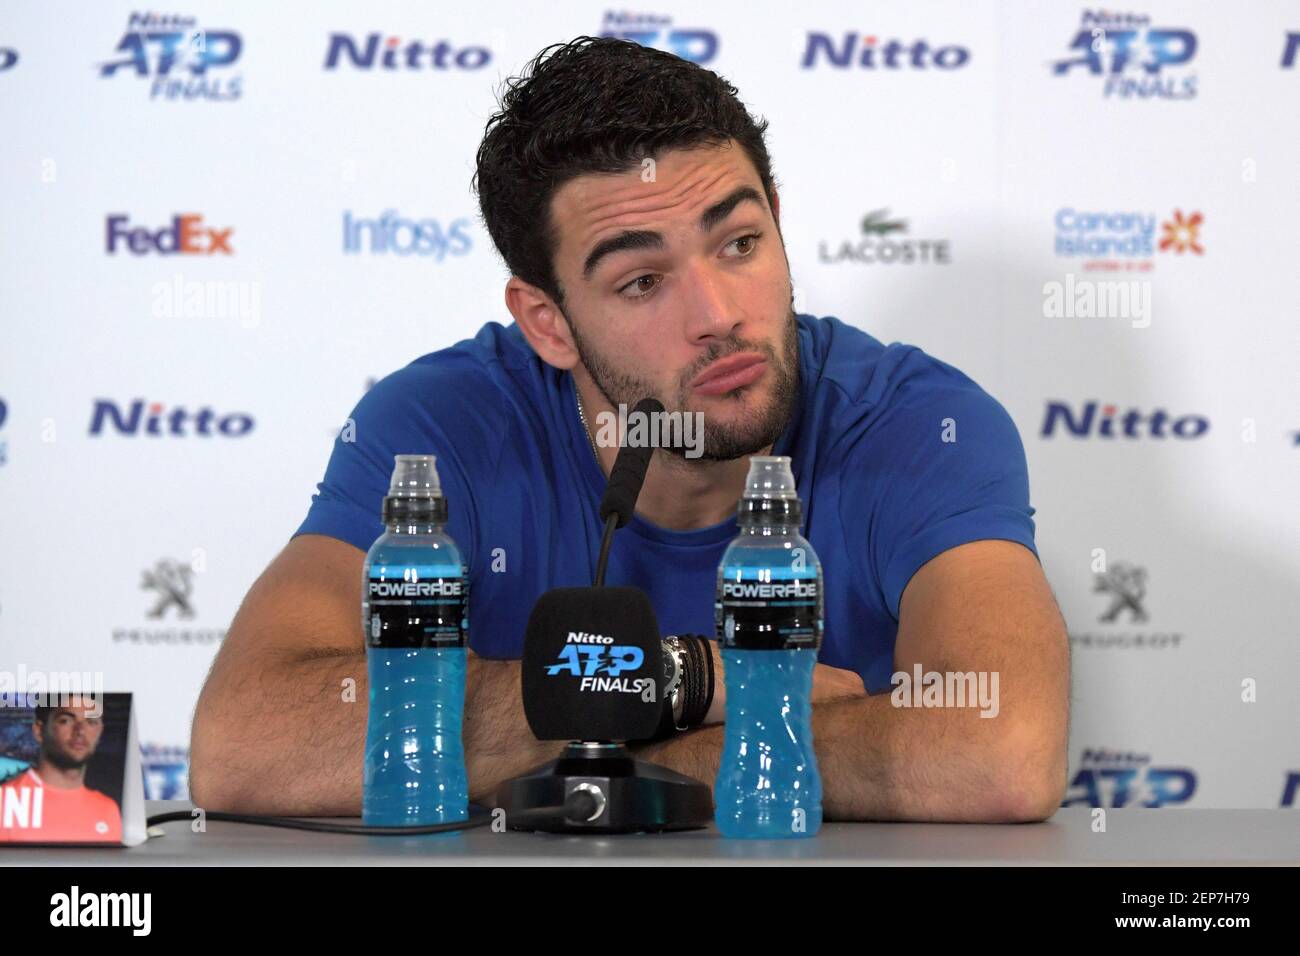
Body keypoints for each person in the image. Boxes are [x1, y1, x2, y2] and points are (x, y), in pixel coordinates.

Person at [192, 36, 1069, 823]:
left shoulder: (922, 425)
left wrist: (594, 764)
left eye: (738, 243)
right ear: (549, 323)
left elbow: (1001, 752)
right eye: (643, 282)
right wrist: (689, 684)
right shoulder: (436, 430)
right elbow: (244, 741)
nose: (720, 315)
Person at [0, 698, 123, 843]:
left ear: (100, 731)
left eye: (91, 722)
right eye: (66, 720)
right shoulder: (5, 803)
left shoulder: (108, 809)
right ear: (39, 731)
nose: (80, 731)